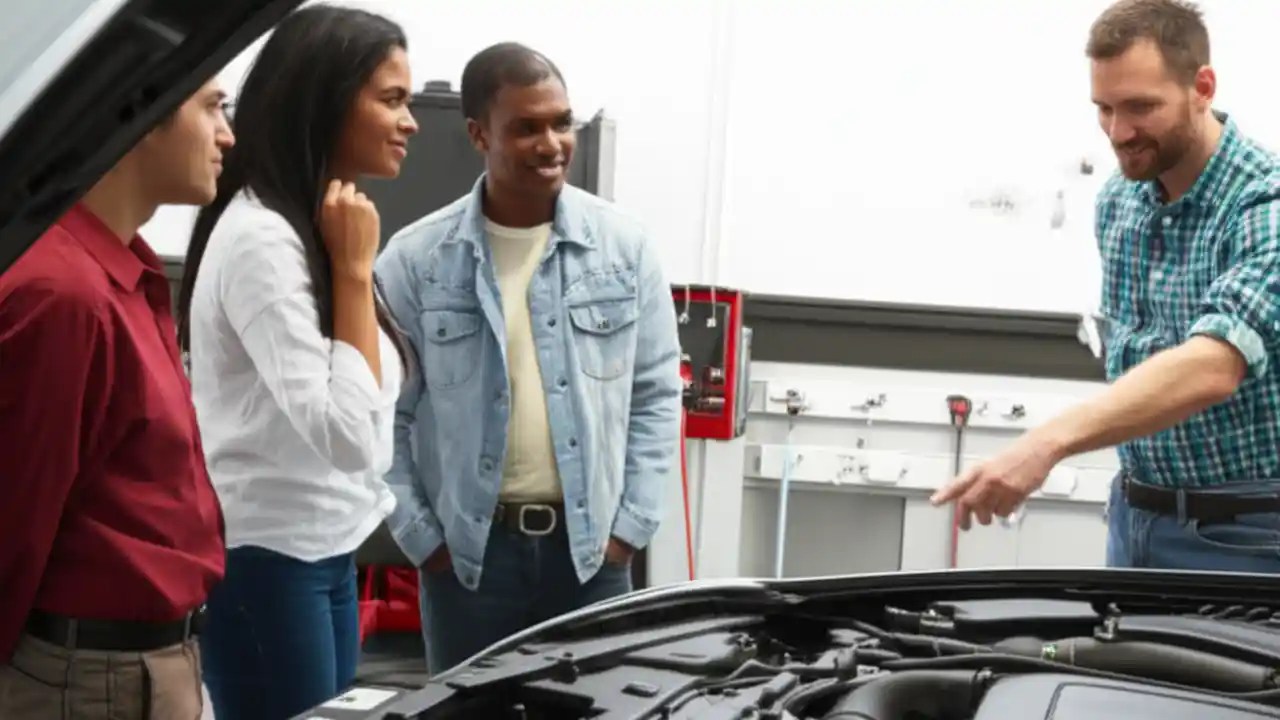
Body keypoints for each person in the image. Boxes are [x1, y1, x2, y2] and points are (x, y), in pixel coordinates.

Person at [931, 0, 1280, 572]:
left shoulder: (1264, 203)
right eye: (1104, 109)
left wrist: (1046, 443)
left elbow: (1213, 366)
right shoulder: (1120, 200)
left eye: (1141, 107)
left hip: (1247, 537)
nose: (1119, 133)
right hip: (1134, 517)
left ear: (1203, 86)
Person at [376, 41, 683, 674]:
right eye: (526, 128)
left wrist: (630, 530)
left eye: (561, 122)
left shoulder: (624, 250)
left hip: (591, 557)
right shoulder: (415, 261)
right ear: (476, 134)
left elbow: (655, 395)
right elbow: (385, 416)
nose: (551, 143)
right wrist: (423, 539)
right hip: (468, 565)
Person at [174, 5, 418, 718]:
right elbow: (349, 436)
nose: (411, 122)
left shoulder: (319, 219)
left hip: (326, 551)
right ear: (327, 98)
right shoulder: (263, 239)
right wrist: (352, 272)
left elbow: (362, 416)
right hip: (269, 564)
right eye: (393, 100)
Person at [0, 77, 233, 718]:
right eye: (212, 106)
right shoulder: (64, 293)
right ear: (144, 112)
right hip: (90, 680)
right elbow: (14, 520)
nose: (227, 134)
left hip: (146, 666)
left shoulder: (121, 270)